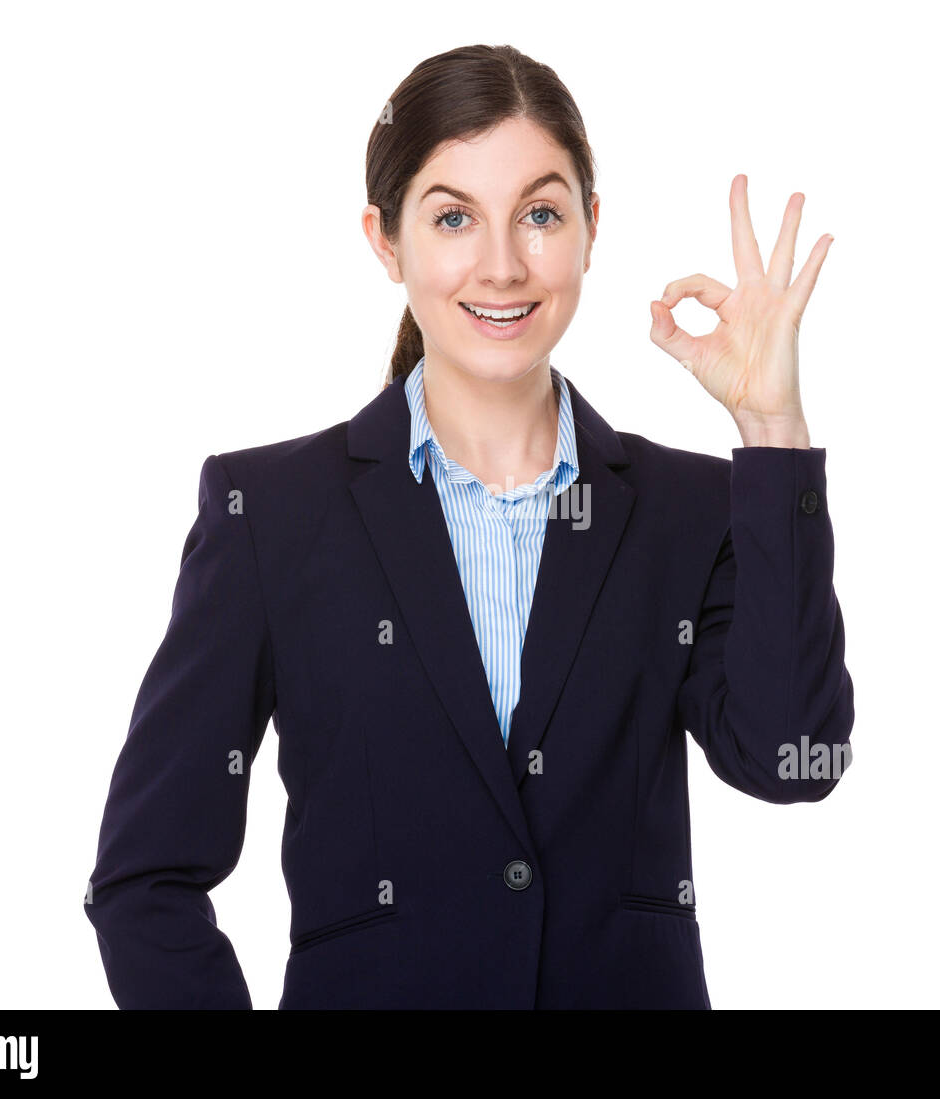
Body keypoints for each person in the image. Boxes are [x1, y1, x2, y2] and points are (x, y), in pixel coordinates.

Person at [83, 42, 855, 1010]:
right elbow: (143, 880)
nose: (501, 265)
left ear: (590, 229)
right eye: (453, 217)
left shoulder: (685, 513)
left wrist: (771, 431)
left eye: (539, 213)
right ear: (385, 239)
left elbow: (792, 757)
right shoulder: (269, 518)